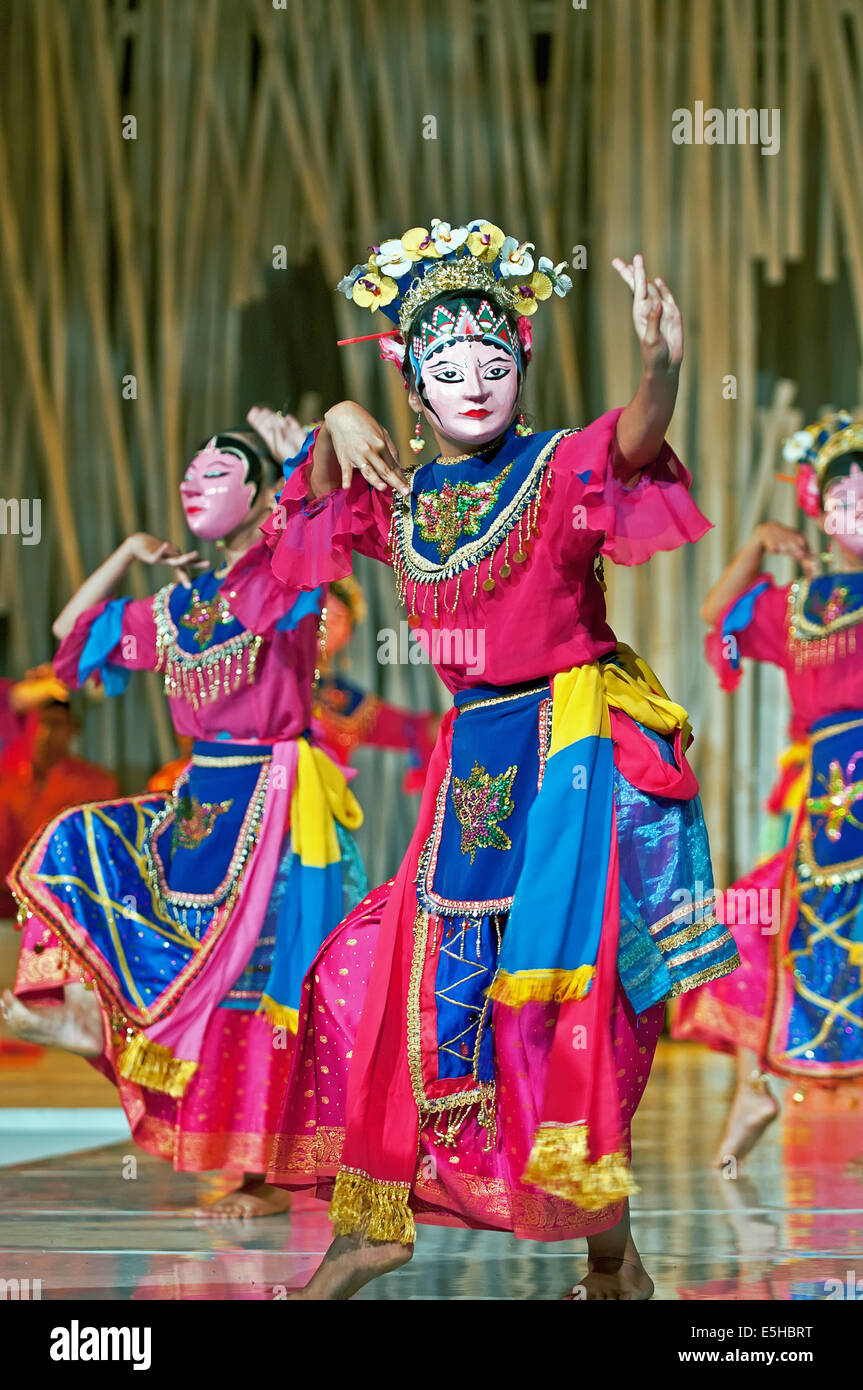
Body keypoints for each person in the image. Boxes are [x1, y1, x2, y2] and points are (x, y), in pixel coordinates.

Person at [251, 218, 739, 1297]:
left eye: (490, 360)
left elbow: (632, 444)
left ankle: (609, 1256)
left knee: (564, 1010)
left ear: (521, 363)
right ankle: (375, 1221)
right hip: (469, 771)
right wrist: (335, 414)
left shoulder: (559, 467)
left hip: (568, 760)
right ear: (412, 389)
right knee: (392, 986)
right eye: (443, 366)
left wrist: (660, 364)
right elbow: (313, 509)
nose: (471, 381)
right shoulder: (411, 501)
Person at [0, 421, 366, 1218]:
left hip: (274, 805)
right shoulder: (176, 607)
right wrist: (128, 552)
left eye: (221, 467)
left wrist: (308, 454)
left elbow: (327, 517)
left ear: (260, 494)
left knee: (265, 983)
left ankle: (268, 1174)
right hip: (200, 803)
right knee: (77, 845)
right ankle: (88, 1020)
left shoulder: (282, 579)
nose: (195, 479)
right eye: (191, 467)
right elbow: (69, 639)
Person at [674, 412, 863, 1164]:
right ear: (817, 506)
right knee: (772, 927)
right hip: (828, 800)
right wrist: (756, 543)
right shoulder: (801, 607)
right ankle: (755, 1082)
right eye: (847, 497)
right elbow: (716, 614)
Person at [0, 669, 118, 920]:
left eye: (54, 724)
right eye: (38, 723)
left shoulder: (97, 785)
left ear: (73, 728)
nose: (44, 733)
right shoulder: (6, 781)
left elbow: (101, 858)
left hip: (69, 915)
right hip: (8, 914)